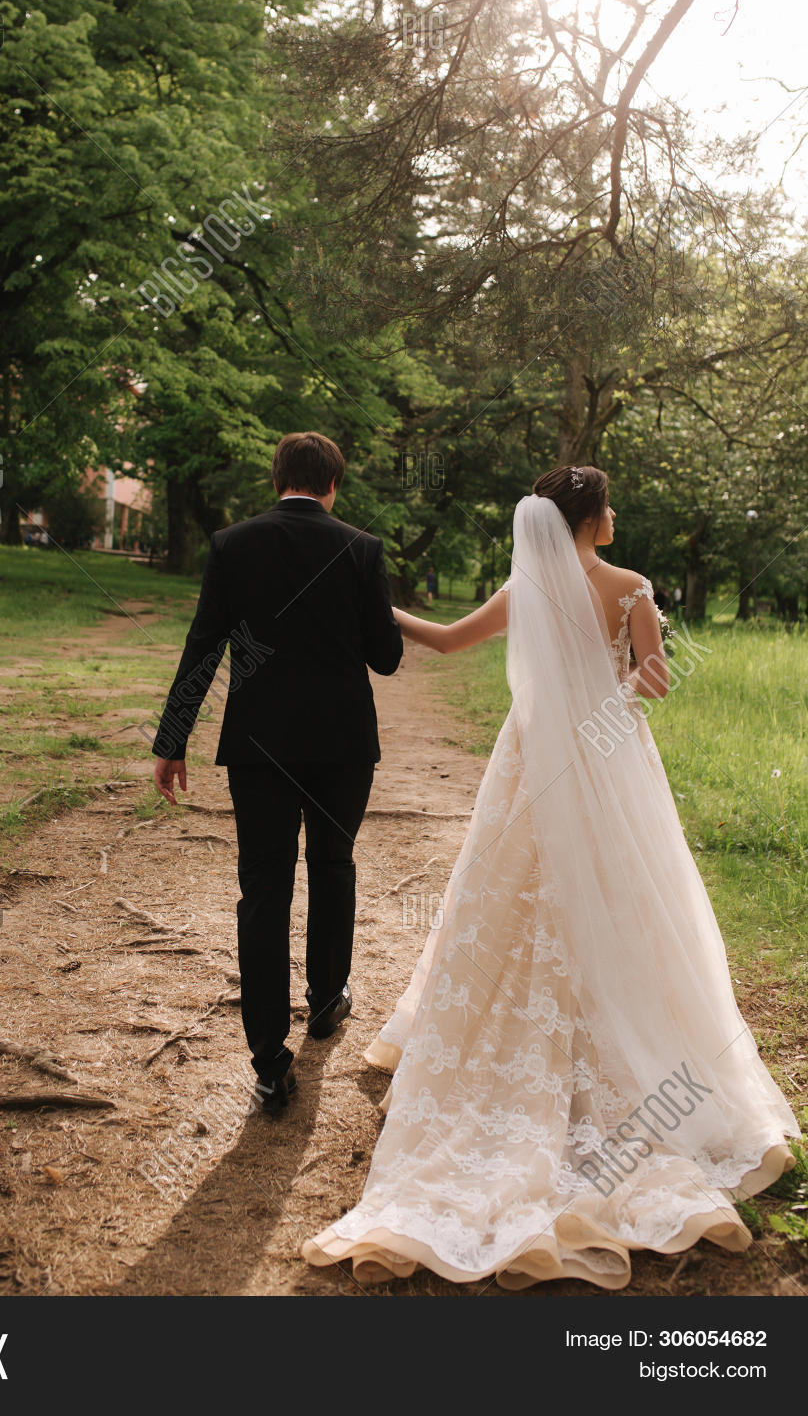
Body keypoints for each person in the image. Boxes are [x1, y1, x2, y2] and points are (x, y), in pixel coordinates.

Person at [303, 464, 798, 1288]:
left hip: (534, 760)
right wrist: (598, 710)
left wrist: (369, 604)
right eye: (609, 506)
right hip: (609, 762)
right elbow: (655, 679)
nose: (615, 516)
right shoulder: (632, 586)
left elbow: (450, 638)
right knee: (621, 890)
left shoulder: (528, 585)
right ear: (592, 516)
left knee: (513, 890)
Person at [151, 431, 403, 1112]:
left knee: (263, 890)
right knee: (333, 862)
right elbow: (386, 658)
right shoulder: (362, 549)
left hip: (259, 745)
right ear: (332, 485)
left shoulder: (234, 545)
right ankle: (326, 1000)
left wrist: (172, 741)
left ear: (278, 481)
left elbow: (203, 645)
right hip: (343, 745)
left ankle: (268, 1060)